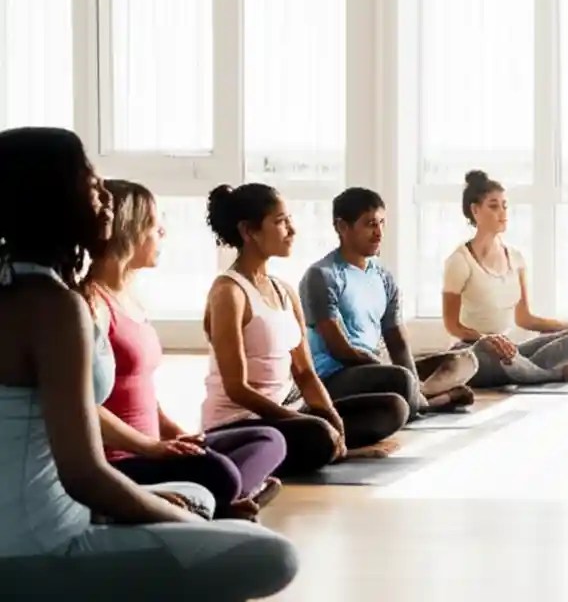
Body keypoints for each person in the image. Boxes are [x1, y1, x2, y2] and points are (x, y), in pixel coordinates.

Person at [0, 127, 297, 600]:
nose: (105, 195)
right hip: (41, 549)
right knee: (272, 553)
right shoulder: (54, 306)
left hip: (46, 525)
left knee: (197, 495)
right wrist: (192, 527)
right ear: (49, 195)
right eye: (89, 179)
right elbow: (84, 475)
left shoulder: (20, 286)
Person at [83, 179, 286, 520]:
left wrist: (177, 435)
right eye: (153, 224)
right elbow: (83, 404)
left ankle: (211, 502)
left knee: (269, 439)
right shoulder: (92, 303)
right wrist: (150, 447)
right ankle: (216, 500)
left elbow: (143, 391)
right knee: (222, 474)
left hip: (156, 449)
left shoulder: (132, 300)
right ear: (129, 231)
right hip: (122, 460)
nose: (162, 231)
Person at [201, 183, 409, 477]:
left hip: (289, 412)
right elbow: (237, 389)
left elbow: (306, 374)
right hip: (239, 422)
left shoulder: (284, 291)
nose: (292, 230)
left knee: (393, 408)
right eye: (280, 221)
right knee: (316, 436)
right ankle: (324, 447)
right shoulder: (228, 292)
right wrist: (307, 422)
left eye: (289, 219)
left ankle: (333, 445)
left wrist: (331, 418)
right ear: (249, 231)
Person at [300, 187, 478, 414]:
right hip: (336, 376)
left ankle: (417, 395)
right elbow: (340, 350)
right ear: (342, 227)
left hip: (377, 368)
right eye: (370, 224)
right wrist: (391, 371)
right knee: (399, 383)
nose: (379, 232)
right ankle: (427, 401)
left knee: (464, 359)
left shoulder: (383, 276)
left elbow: (397, 341)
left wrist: (407, 375)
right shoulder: (321, 276)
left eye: (382, 223)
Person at [443, 171, 568, 388]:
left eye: (505, 206)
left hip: (511, 349)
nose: (503, 213)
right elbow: (452, 325)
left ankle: (523, 371)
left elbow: (525, 318)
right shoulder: (459, 261)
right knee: (508, 360)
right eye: (494, 206)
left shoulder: (515, 258)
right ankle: (548, 374)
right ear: (475, 210)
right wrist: (485, 339)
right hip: (471, 353)